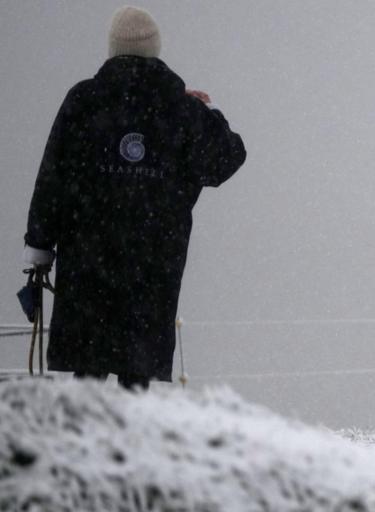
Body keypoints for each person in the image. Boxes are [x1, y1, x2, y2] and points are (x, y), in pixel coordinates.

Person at [22, 6, 246, 390]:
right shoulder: (179, 109)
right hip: (152, 267)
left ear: (113, 50)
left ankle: (84, 444)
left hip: (87, 264)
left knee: (87, 376)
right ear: (154, 50)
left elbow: (52, 178)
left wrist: (40, 245)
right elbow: (227, 158)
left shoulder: (84, 100)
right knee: (136, 381)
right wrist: (204, 112)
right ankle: (129, 445)